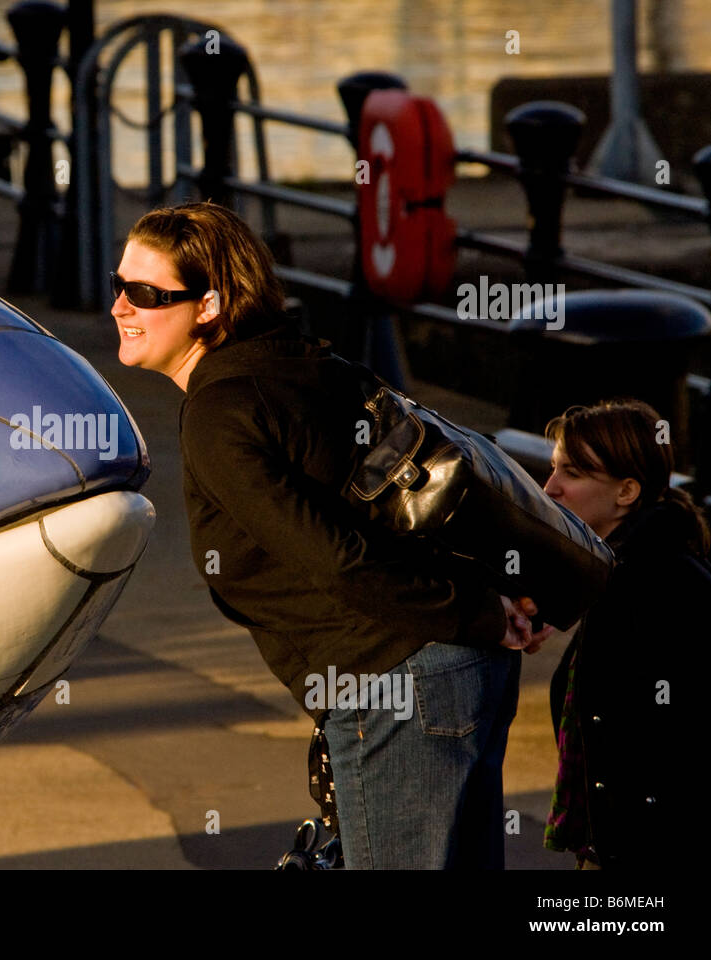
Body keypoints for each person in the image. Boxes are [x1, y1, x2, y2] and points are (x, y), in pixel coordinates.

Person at [112, 200, 549, 869]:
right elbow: (413, 499)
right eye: (119, 286)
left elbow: (339, 559)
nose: (120, 306)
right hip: (456, 665)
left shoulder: (220, 413)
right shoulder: (304, 362)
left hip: (397, 679)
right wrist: (492, 606)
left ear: (208, 305)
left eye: (145, 293)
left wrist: (481, 613)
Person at [540, 400, 711, 869]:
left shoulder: (660, 584)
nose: (549, 488)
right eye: (553, 469)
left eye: (571, 473)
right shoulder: (618, 572)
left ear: (626, 491)